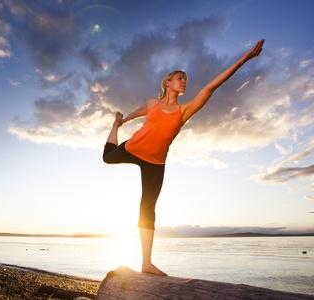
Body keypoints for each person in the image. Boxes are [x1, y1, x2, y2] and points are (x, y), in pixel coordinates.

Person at [103, 39, 265, 276]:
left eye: (186, 79)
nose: (185, 80)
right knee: (107, 157)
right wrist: (123, 120)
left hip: (155, 163)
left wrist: (245, 58)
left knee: (147, 207)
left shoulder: (184, 111)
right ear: (167, 83)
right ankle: (113, 127)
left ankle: (146, 263)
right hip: (134, 147)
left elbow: (211, 87)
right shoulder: (153, 103)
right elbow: (142, 110)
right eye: (180, 77)